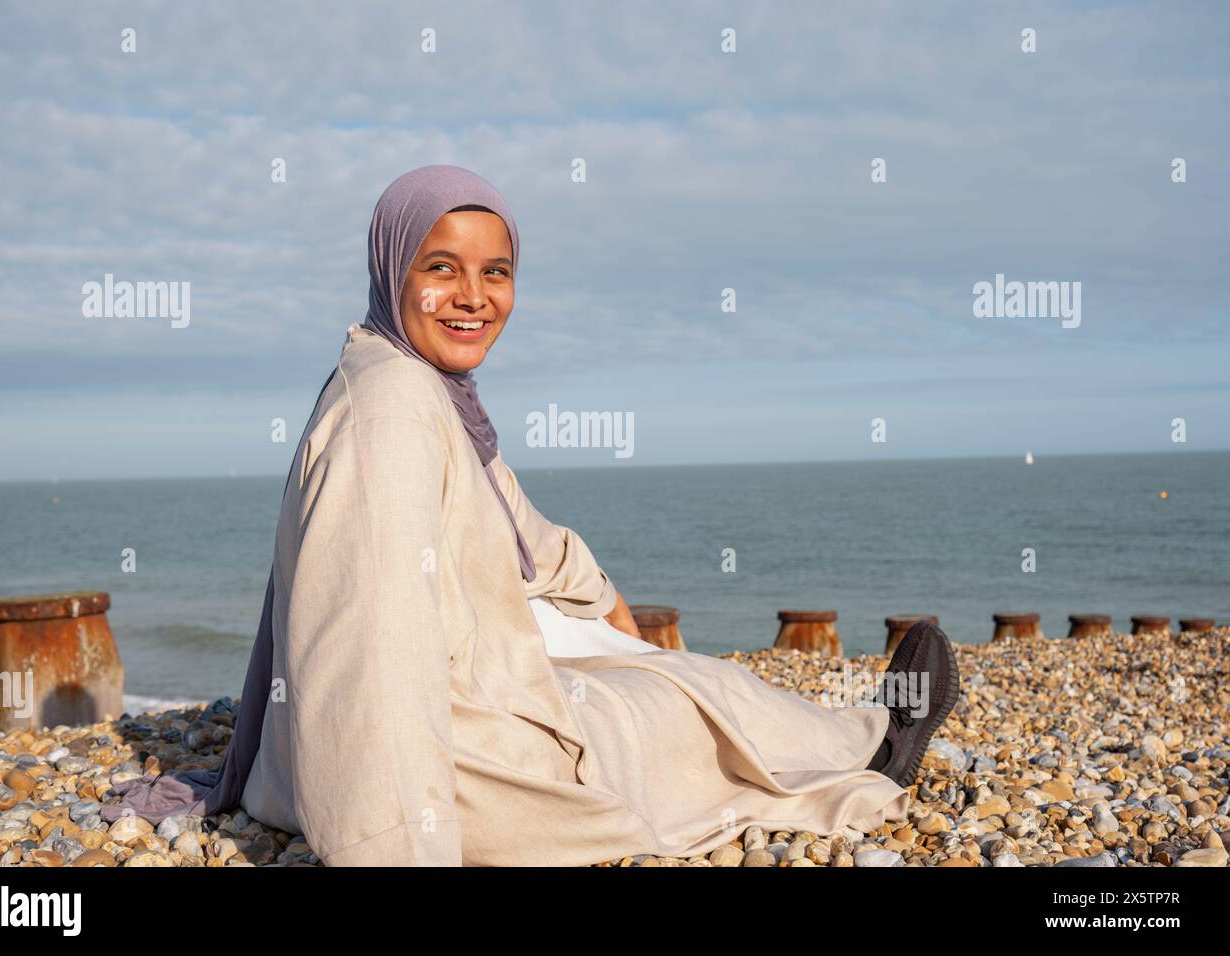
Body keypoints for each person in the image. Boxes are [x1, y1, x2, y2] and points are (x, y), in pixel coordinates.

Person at [101, 164, 958, 866]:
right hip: (447, 769)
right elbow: (371, 651)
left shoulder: (407, 380)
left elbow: (521, 529)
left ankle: (859, 730)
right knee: (680, 704)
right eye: (441, 268)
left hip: (345, 744)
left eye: (495, 272)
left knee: (659, 672)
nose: (473, 296)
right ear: (392, 266)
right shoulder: (393, 411)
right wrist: (394, 848)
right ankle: (875, 738)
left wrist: (603, 600)